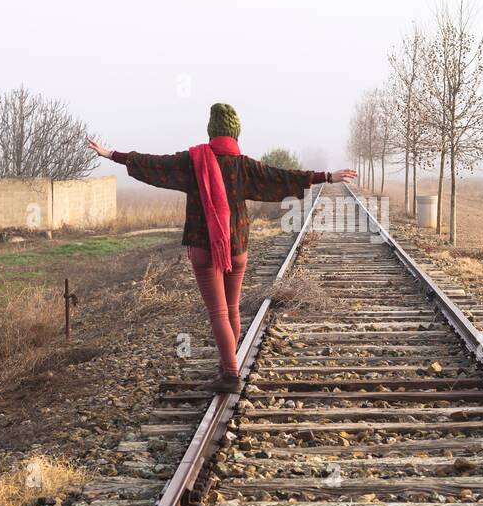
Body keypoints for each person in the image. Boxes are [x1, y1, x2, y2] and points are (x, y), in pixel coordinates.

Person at [87, 103, 356, 392]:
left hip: (204, 248)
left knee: (217, 312)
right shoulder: (245, 166)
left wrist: (112, 154)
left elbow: (154, 163)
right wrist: (326, 177)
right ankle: (229, 363)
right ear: (235, 133)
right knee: (231, 309)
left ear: (211, 131)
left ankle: (229, 373)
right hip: (238, 246)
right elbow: (283, 176)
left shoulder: (193, 160)